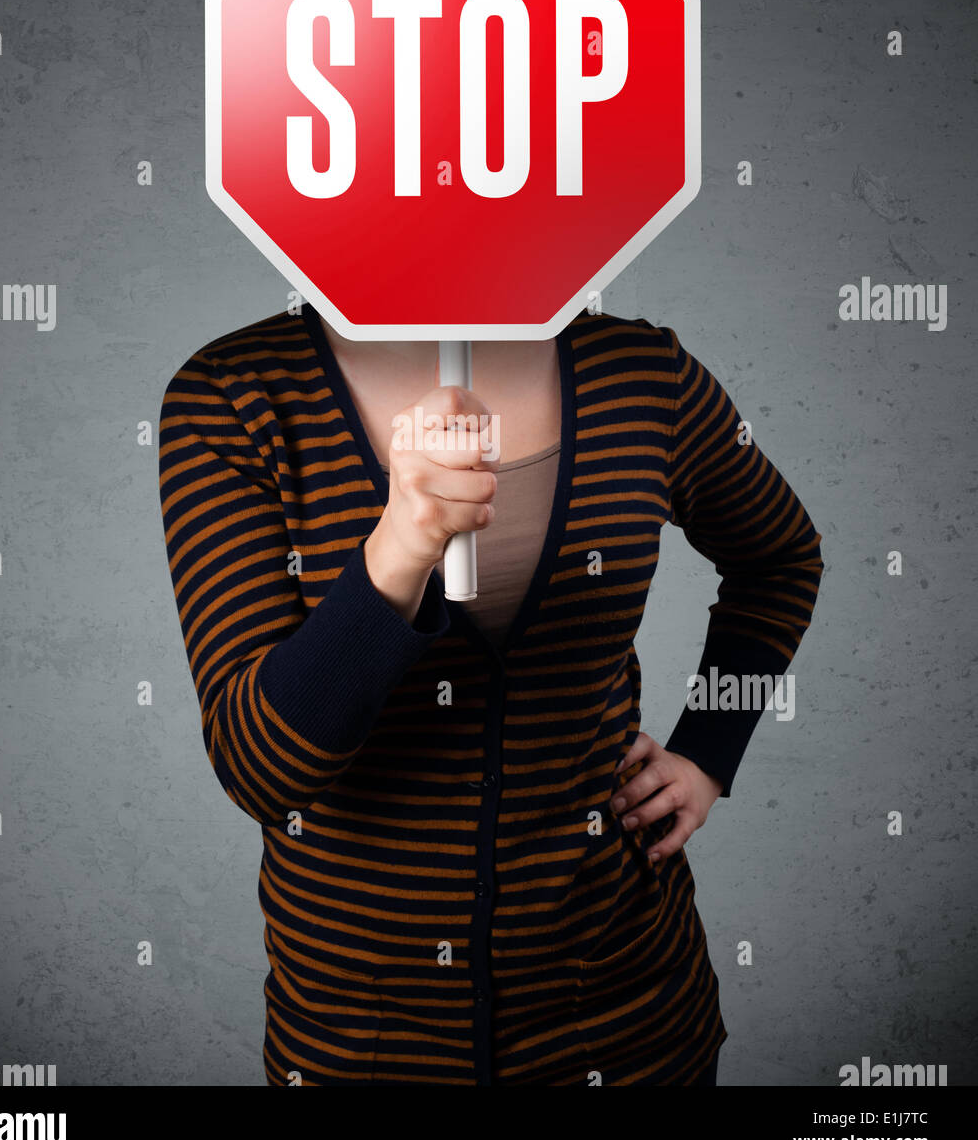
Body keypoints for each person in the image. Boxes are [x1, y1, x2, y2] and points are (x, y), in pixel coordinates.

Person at [157, 301, 823, 1086]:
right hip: (362, 1043)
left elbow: (777, 560)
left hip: (628, 1021)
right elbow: (257, 767)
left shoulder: (643, 374)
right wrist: (397, 551)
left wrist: (707, 752)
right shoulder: (232, 394)